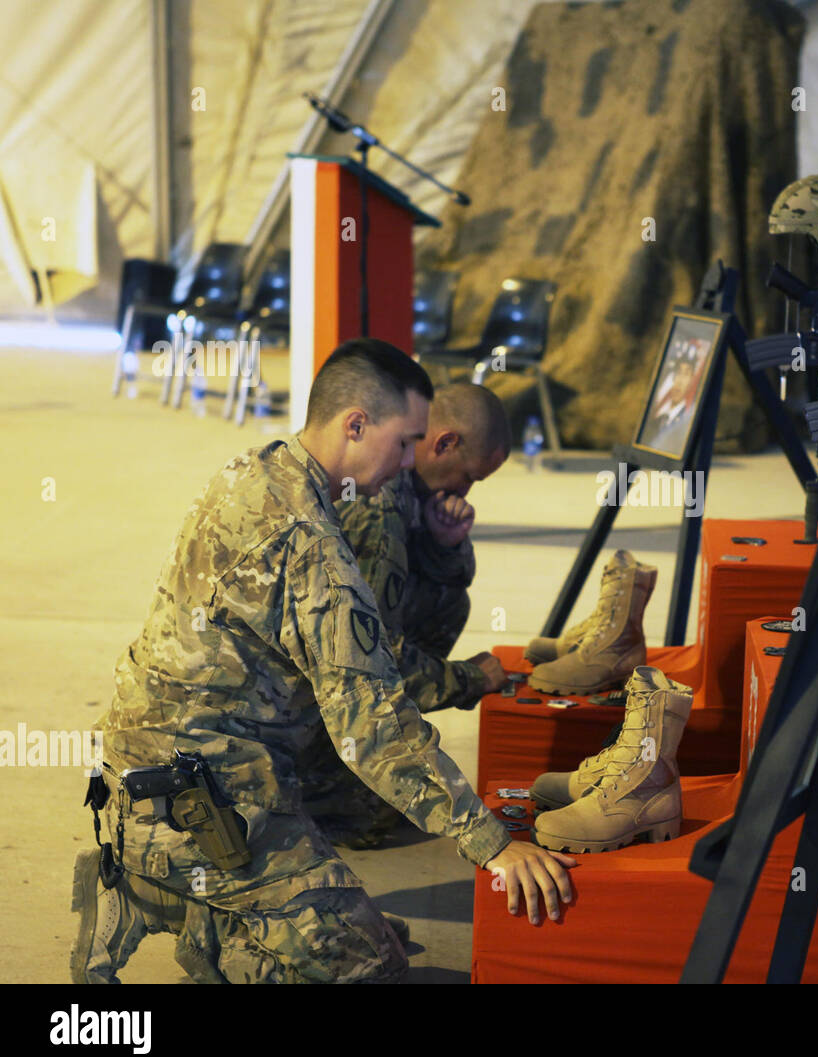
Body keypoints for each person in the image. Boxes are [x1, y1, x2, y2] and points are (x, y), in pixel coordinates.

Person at [73, 338, 574, 985]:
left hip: (155, 761)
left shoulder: (256, 471)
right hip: (201, 788)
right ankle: (158, 894)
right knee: (367, 965)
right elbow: (372, 726)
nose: (404, 463)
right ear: (355, 425)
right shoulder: (312, 546)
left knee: (352, 924)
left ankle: (195, 901)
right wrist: (492, 844)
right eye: (402, 443)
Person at [302, 383, 512, 849]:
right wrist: (468, 680)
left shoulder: (414, 487)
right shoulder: (379, 502)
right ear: (445, 443)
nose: (467, 490)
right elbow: (370, 654)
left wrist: (443, 545)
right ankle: (315, 789)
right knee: (377, 813)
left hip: (329, 670)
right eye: (468, 475)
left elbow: (444, 594)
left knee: (450, 601)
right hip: (295, 701)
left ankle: (347, 758)